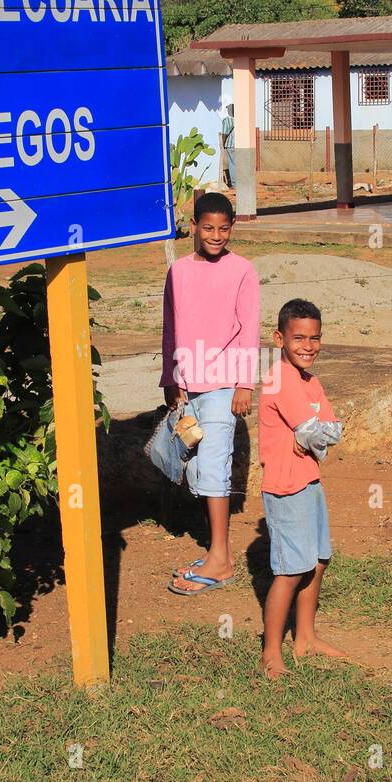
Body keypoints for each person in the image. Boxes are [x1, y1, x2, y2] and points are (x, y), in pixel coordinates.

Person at [164, 192, 259, 595]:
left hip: (224, 385)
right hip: (190, 385)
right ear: (194, 225)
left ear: (232, 228)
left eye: (223, 228)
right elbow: (170, 325)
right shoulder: (178, 272)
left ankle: (220, 559)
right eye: (208, 228)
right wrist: (171, 378)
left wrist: (244, 383)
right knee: (199, 470)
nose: (216, 235)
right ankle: (215, 551)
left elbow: (249, 327)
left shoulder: (243, 271)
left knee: (216, 467)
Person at [257, 299, 345, 677]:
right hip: (285, 487)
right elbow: (316, 430)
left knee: (317, 561)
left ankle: (305, 637)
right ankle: (270, 652)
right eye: (298, 338)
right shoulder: (279, 378)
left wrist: (312, 435)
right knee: (290, 570)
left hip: (310, 480)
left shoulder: (312, 381)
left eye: (315, 338)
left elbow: (333, 431)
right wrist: (312, 433)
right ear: (279, 338)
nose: (308, 345)